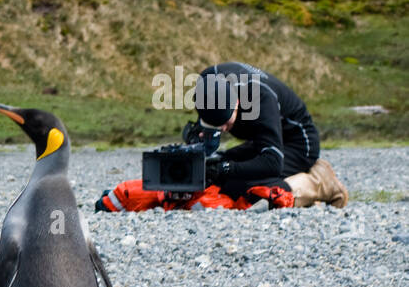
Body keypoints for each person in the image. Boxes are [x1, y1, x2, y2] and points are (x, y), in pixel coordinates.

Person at [97, 62, 349, 212]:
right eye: (216, 125)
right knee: (216, 169)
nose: (224, 130)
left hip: (296, 143)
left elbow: (272, 160)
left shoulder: (259, 98)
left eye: (227, 123)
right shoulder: (207, 83)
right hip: (260, 140)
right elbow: (203, 142)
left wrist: (226, 169)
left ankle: (320, 182)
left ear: (238, 103)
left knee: (247, 186)